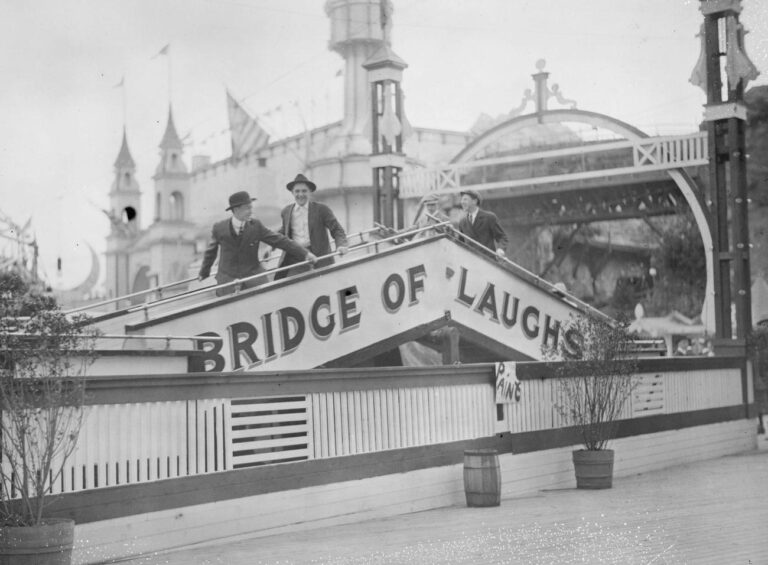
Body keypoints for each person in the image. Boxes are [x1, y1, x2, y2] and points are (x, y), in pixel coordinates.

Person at [198, 190, 316, 295]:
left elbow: (281, 240)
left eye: (251, 207)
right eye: (247, 208)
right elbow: (211, 252)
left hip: (254, 279)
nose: (251, 211)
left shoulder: (256, 226)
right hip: (227, 282)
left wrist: (305, 253)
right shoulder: (219, 228)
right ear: (236, 210)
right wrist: (204, 272)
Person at [274, 173, 348, 280]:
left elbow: (336, 229)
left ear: (310, 192)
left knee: (323, 287)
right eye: (297, 191)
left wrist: (341, 245)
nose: (301, 194)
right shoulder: (286, 211)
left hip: (320, 258)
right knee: (294, 287)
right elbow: (284, 231)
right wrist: (270, 247)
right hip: (296, 257)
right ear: (292, 193)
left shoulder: (321, 209)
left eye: (304, 191)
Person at [457, 190, 508, 257]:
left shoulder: (489, 217)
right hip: (470, 263)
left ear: (474, 201)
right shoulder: (462, 222)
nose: (462, 202)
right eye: (462, 200)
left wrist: (501, 249)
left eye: (465, 199)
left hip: (488, 261)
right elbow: (460, 243)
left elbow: (502, 237)